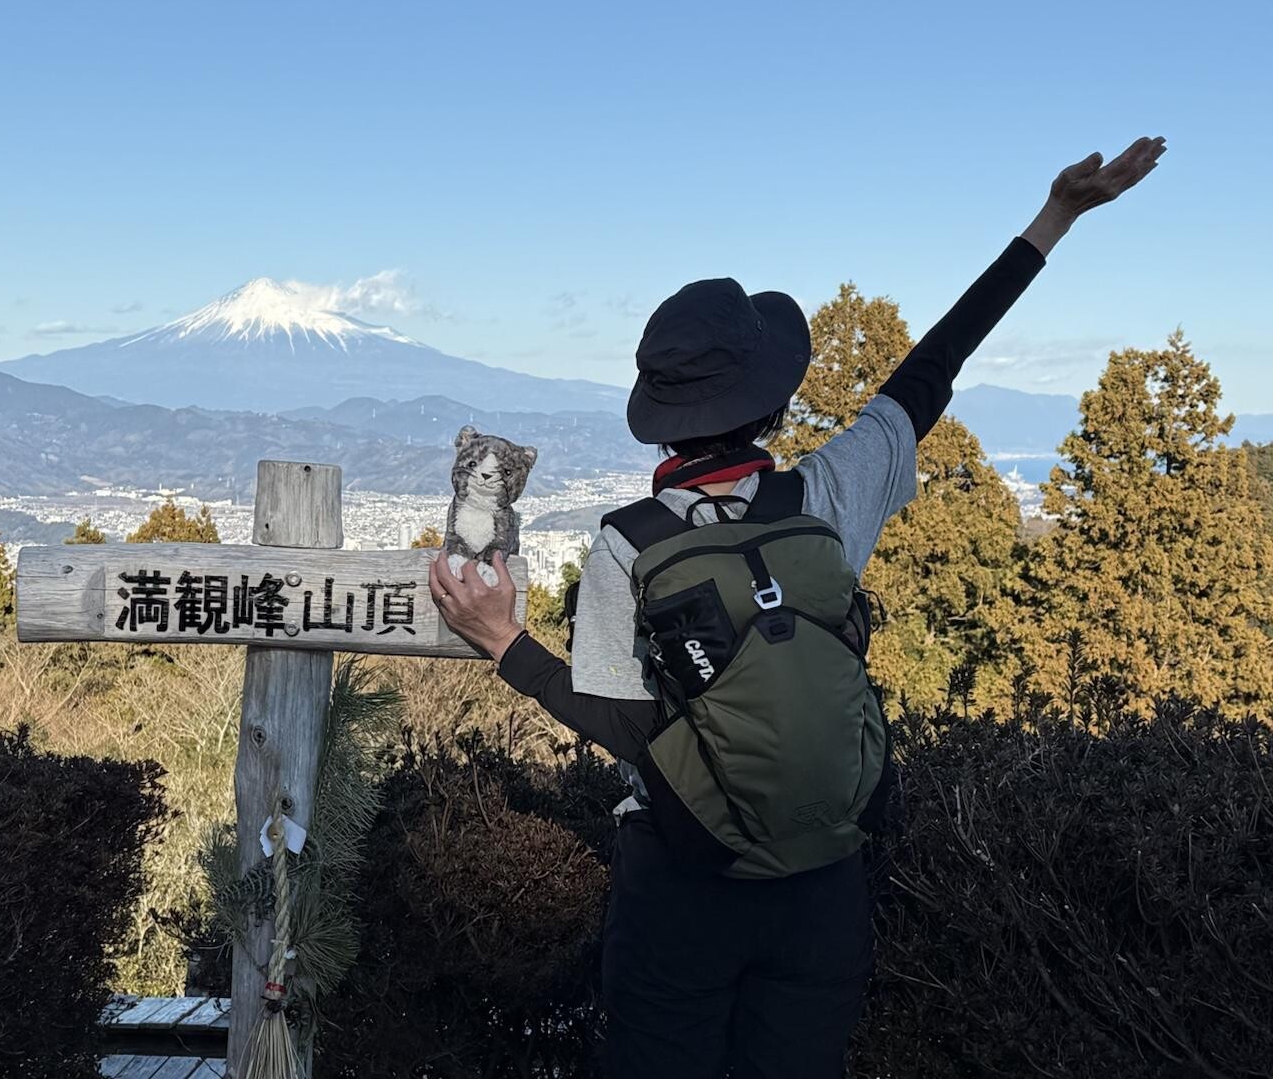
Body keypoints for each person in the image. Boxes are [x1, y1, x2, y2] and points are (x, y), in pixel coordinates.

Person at [430, 136, 1167, 1079]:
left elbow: (624, 724)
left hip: (682, 880)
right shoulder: (825, 497)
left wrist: (505, 645)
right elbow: (931, 370)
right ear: (771, 403)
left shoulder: (630, 541)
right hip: (824, 882)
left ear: (659, 410)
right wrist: (1054, 219)